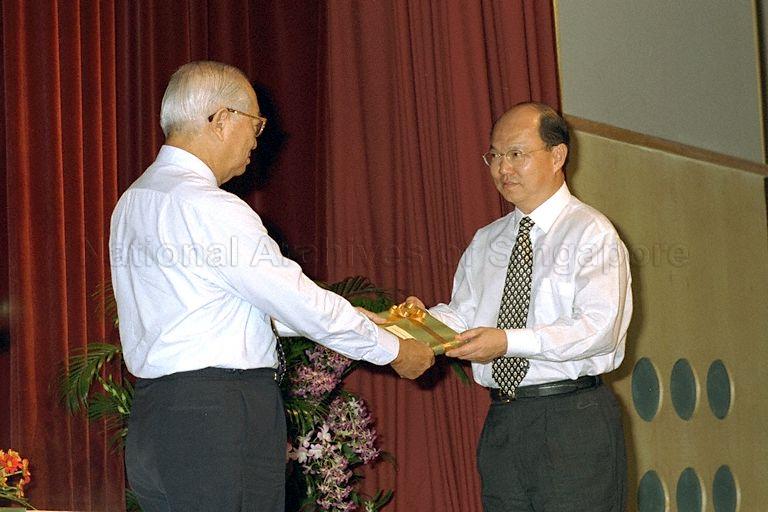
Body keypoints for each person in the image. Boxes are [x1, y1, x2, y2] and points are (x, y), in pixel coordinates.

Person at [109, 60, 434, 512]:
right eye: (256, 124)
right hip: (220, 419)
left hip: (155, 419)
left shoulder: (133, 201)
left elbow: (221, 305)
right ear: (222, 120)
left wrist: (360, 318)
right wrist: (393, 350)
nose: (257, 140)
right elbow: (295, 300)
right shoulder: (209, 206)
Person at [407, 103, 632, 511]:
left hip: (572, 419)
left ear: (557, 156)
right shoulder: (487, 240)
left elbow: (599, 329)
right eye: (494, 155)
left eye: (516, 154)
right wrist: (417, 323)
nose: (503, 168)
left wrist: (508, 342)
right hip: (504, 422)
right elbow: (463, 314)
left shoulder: (591, 232)